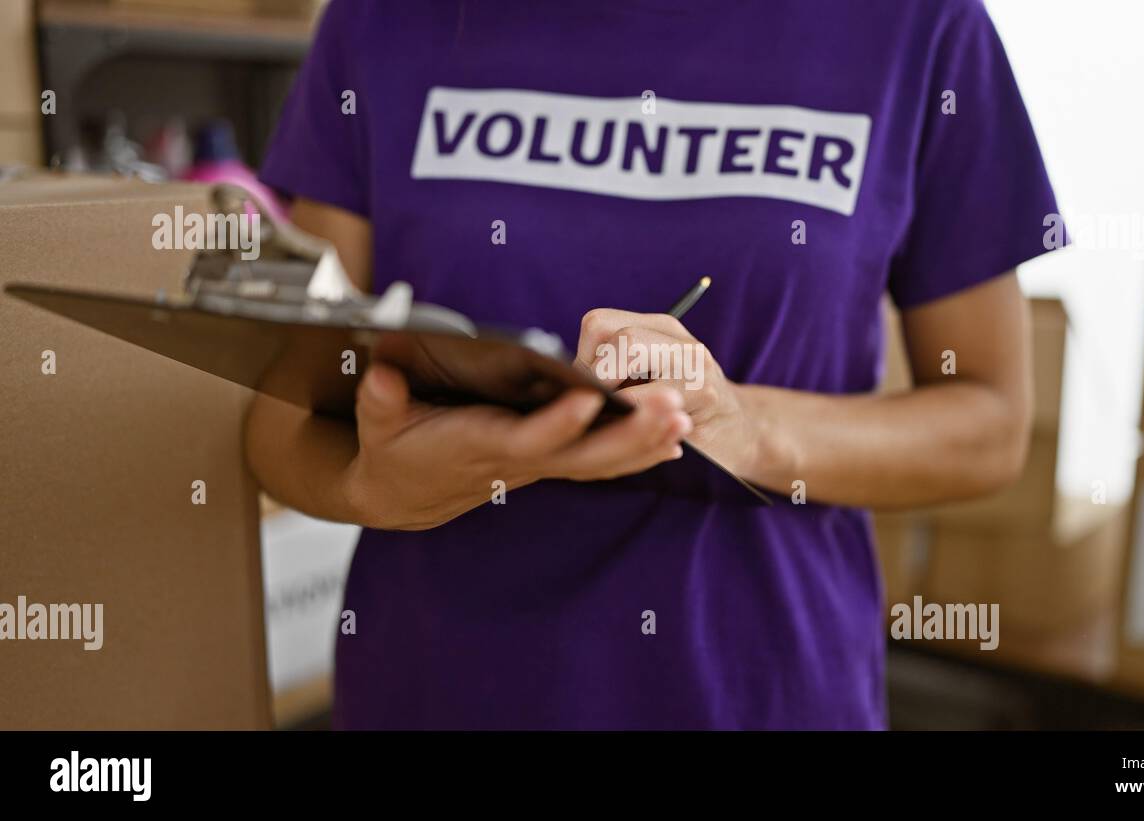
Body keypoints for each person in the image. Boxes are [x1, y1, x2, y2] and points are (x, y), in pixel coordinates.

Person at [248, 0, 1064, 729]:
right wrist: (366, 486)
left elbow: (989, 421)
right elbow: (282, 413)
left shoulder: (921, 27)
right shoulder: (382, 20)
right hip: (434, 687)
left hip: (759, 693)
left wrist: (749, 427)